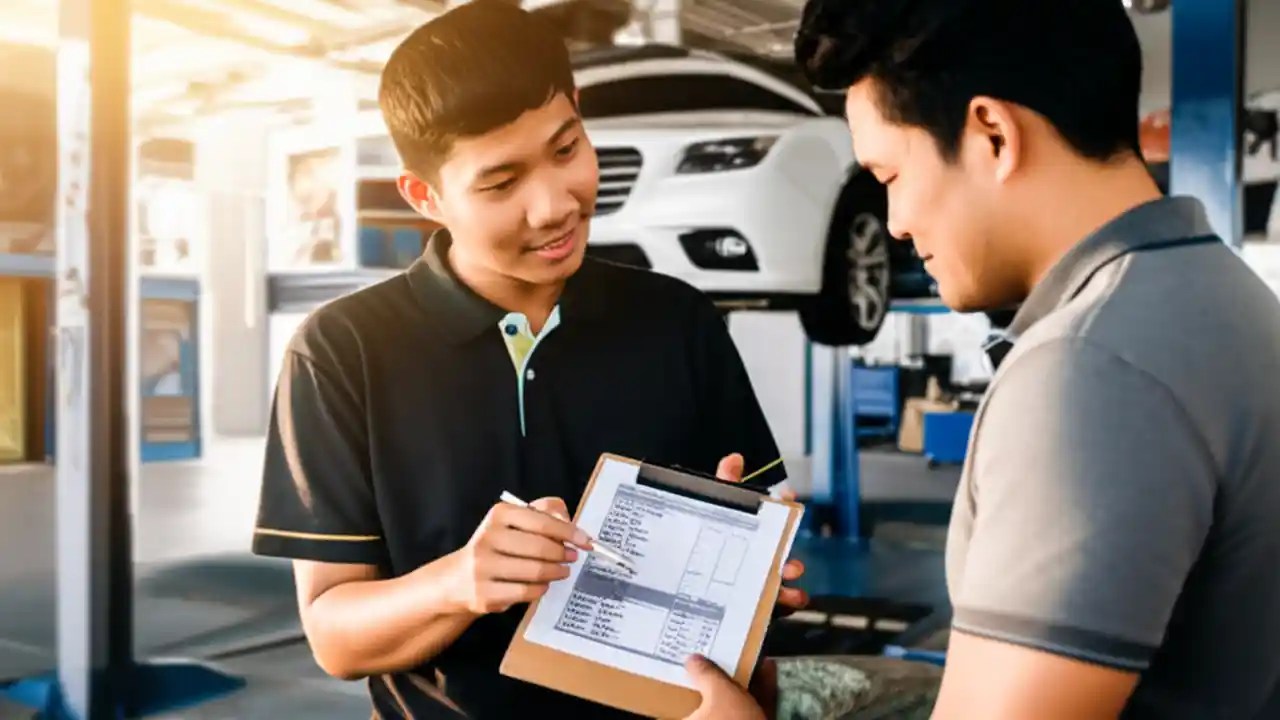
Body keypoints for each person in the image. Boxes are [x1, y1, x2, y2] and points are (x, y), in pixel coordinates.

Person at [688, 0, 1280, 718]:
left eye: (890, 176)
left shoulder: (1087, 373)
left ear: (992, 134)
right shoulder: (1224, 297)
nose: (896, 223)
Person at [250, 3, 806, 718]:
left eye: (567, 148)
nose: (554, 206)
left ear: (578, 114)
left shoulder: (679, 322)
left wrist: (746, 578)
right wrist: (459, 583)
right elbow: (335, 637)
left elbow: (755, 620)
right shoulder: (340, 354)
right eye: (500, 183)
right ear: (426, 196)